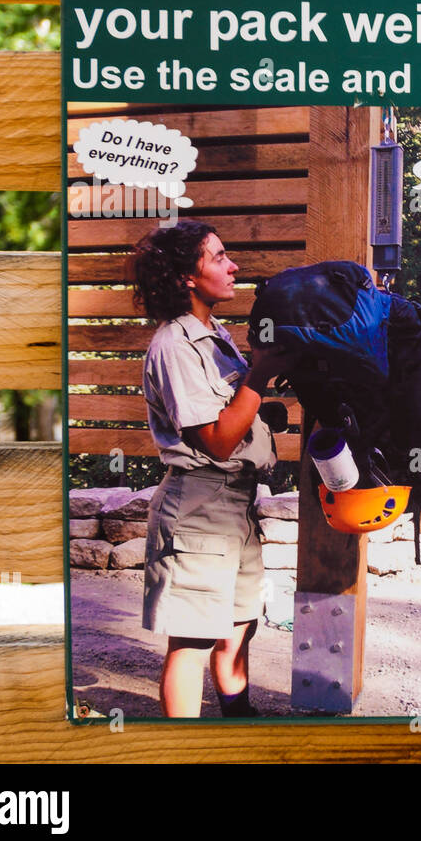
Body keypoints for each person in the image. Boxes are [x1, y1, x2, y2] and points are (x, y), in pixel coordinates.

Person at [131, 220, 290, 718]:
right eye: (218, 257)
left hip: (235, 505)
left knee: (240, 623)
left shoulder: (213, 332)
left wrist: (262, 400)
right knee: (194, 638)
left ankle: (237, 719)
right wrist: (259, 375)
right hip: (199, 505)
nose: (233, 265)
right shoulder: (174, 346)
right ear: (187, 277)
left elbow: (233, 411)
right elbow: (218, 441)